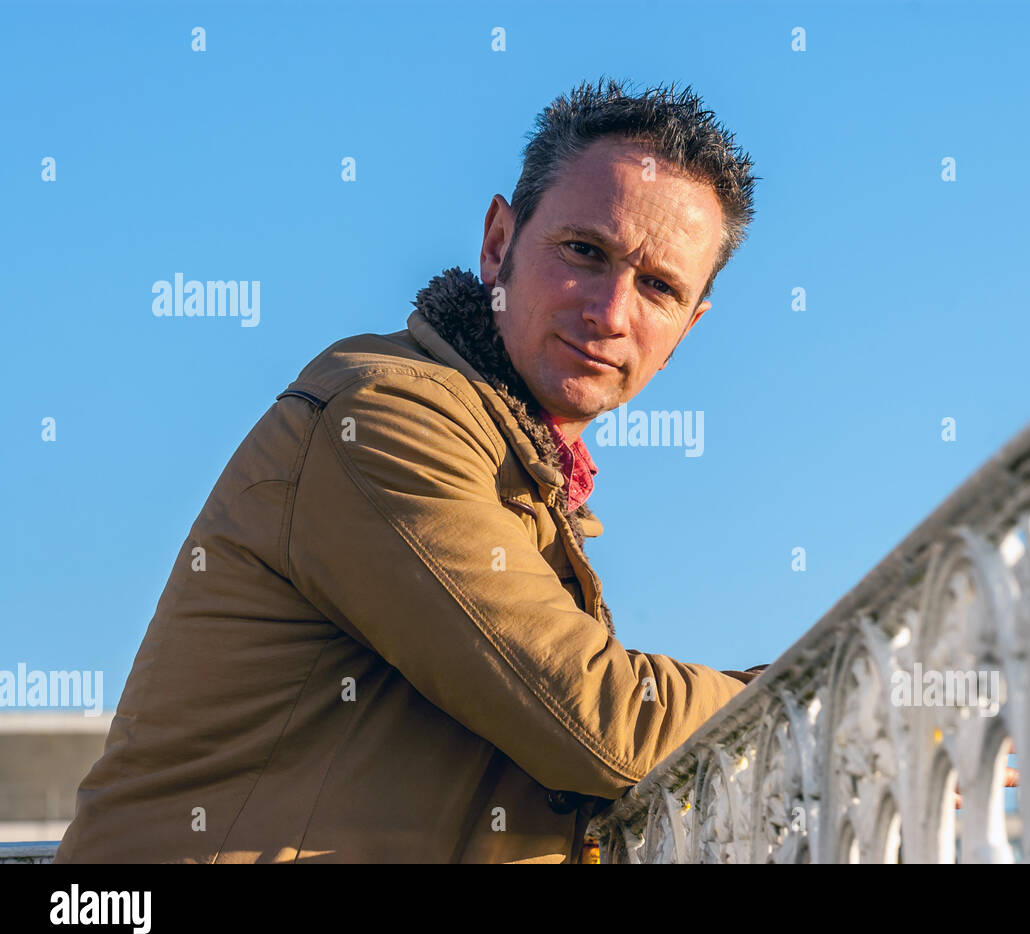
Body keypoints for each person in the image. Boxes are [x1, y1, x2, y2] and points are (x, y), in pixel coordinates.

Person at [55, 76, 765, 864]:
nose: (609, 311)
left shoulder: (524, 474)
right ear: (499, 243)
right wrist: (813, 697)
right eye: (584, 252)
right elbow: (599, 726)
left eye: (659, 286)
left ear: (686, 331)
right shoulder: (389, 414)